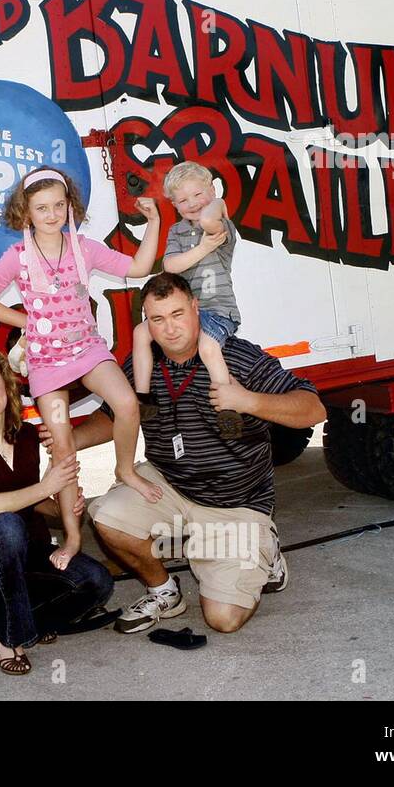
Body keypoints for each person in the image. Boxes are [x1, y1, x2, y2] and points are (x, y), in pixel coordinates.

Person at [65, 272, 325, 635]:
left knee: (222, 619)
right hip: (170, 486)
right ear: (147, 323)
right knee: (109, 516)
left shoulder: (235, 355)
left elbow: (312, 407)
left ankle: (263, 547)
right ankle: (163, 591)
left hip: (236, 502)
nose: (170, 329)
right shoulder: (143, 361)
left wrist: (247, 400)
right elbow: (115, 417)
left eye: (177, 314)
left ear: (195, 308)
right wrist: (69, 439)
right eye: (158, 319)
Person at [0, 166, 161, 571]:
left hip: (87, 351)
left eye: (59, 205)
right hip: (47, 366)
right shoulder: (17, 257)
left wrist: (154, 223)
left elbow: (139, 268)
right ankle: (74, 538)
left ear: (70, 206)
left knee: (127, 403)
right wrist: (27, 322)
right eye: (42, 208)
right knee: (62, 447)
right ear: (26, 213)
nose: (53, 213)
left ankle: (125, 469)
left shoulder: (84, 248)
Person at [0, 348, 117, 675]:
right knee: (6, 525)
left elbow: (27, 498)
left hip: (26, 551)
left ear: (7, 385)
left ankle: (24, 620)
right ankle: (9, 638)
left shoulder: (25, 435)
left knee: (97, 581)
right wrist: (47, 484)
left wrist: (63, 508)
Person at [132, 161, 244, 438]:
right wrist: (204, 247)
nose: (192, 203)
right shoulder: (178, 232)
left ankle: (227, 407)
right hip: (187, 313)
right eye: (182, 200)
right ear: (174, 205)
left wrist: (217, 203)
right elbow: (170, 265)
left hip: (218, 310)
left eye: (199, 195)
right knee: (140, 332)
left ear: (213, 190)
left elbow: (208, 219)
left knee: (207, 347)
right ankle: (143, 397)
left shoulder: (221, 225)